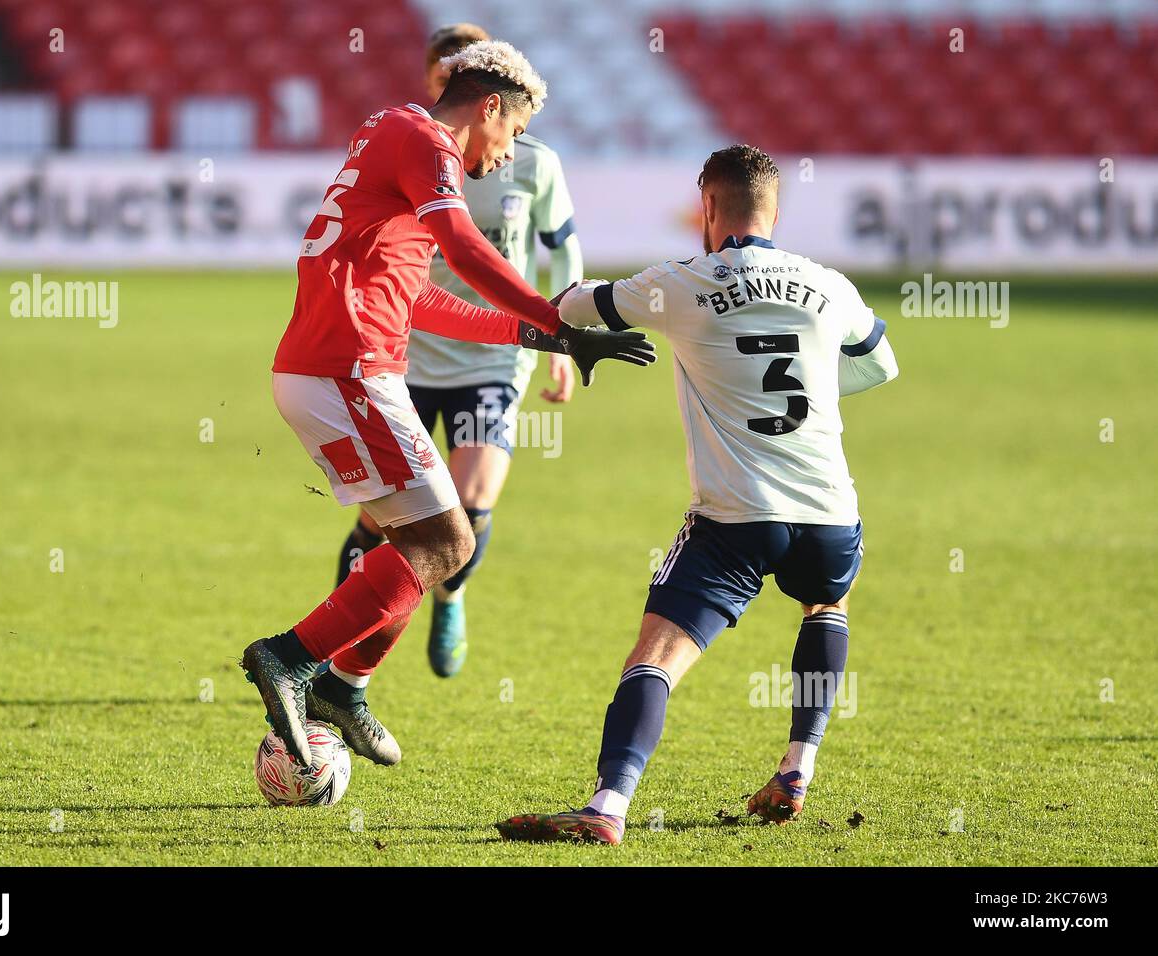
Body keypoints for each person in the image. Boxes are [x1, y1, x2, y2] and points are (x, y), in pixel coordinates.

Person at [242, 41, 655, 771]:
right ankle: (290, 658)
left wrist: (548, 340)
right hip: (349, 373)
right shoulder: (421, 138)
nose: (511, 153)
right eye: (516, 134)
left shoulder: (388, 135)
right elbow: (463, 250)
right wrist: (559, 318)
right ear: (490, 107)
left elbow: (427, 299)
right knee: (448, 543)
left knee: (422, 544)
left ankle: (344, 688)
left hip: (330, 371)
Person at [496, 144, 898, 844]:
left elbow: (575, 307)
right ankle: (797, 766)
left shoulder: (682, 282)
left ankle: (608, 806)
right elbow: (880, 365)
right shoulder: (828, 284)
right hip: (830, 512)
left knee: (655, 654)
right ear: (775, 208)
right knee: (826, 602)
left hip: (734, 520)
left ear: (708, 208)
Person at [332, 23, 586, 679]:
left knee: (468, 510)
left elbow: (560, 246)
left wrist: (558, 332)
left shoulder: (530, 161)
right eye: (442, 77)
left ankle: (451, 594)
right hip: (407, 350)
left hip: (494, 356)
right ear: (435, 84)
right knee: (381, 526)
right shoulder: (415, 149)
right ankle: (335, 654)